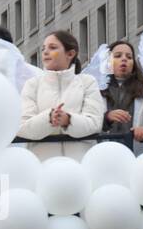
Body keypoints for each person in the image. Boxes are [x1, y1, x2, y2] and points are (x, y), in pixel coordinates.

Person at [18, 30, 105, 160]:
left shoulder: (87, 82)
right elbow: (23, 127)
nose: (45, 52)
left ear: (70, 54)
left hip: (81, 164)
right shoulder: (32, 84)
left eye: (52, 48)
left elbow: (94, 123)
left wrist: (68, 120)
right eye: (43, 49)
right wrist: (49, 118)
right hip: (42, 166)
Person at [101, 39, 143, 149]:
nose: (124, 59)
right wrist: (107, 117)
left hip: (137, 154)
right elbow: (89, 121)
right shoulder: (96, 88)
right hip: (105, 154)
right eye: (118, 56)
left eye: (129, 57)